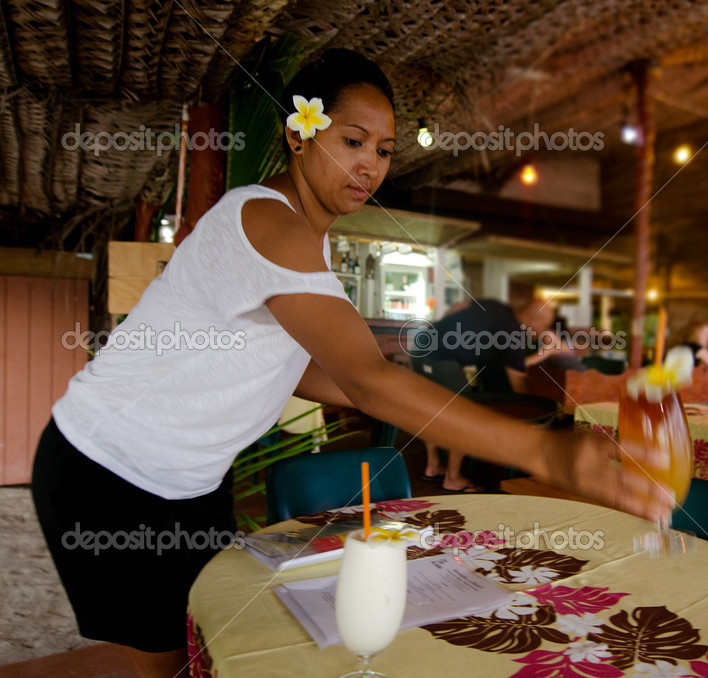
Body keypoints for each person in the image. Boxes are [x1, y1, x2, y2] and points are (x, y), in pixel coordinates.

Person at [30, 51, 669, 677]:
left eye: (384, 151)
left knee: (210, 646)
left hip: (191, 481)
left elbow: (304, 368)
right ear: (299, 136)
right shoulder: (263, 221)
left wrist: (393, 391)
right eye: (354, 140)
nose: (370, 165)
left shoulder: (311, 237)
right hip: (108, 469)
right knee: (168, 662)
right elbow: (367, 381)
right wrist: (548, 455)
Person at [418, 297, 555, 492]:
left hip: (422, 346)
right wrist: (528, 406)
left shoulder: (495, 306)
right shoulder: (514, 333)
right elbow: (516, 378)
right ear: (533, 319)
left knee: (432, 409)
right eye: (545, 324)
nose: (544, 329)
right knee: (464, 415)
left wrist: (443, 330)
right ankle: (452, 478)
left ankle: (433, 466)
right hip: (441, 359)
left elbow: (457, 306)